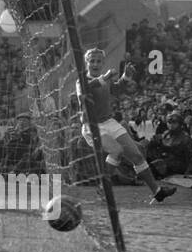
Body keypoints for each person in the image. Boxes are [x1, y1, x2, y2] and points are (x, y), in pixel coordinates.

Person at [74, 48, 175, 202]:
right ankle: (103, 189)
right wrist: (104, 77)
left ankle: (157, 191)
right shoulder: (82, 80)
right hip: (92, 126)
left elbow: (116, 89)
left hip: (109, 122)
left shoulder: (104, 79)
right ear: (86, 63)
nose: (95, 64)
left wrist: (126, 77)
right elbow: (86, 90)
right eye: (92, 61)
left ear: (103, 63)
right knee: (116, 150)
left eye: (98, 61)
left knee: (137, 155)